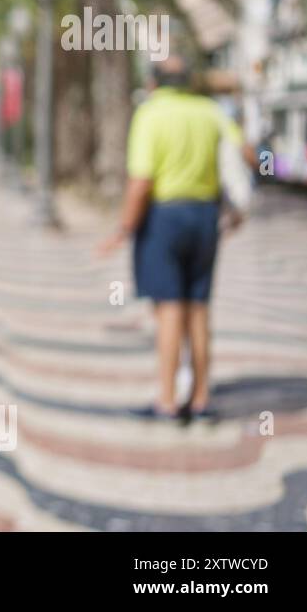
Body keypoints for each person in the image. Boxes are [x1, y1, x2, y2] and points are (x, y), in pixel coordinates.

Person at [96, 55, 251, 422]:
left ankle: (166, 401)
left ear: (154, 82)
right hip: (205, 215)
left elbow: (141, 182)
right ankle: (200, 399)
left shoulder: (151, 114)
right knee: (198, 308)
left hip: (164, 216)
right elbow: (247, 152)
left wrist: (122, 229)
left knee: (169, 309)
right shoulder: (209, 110)